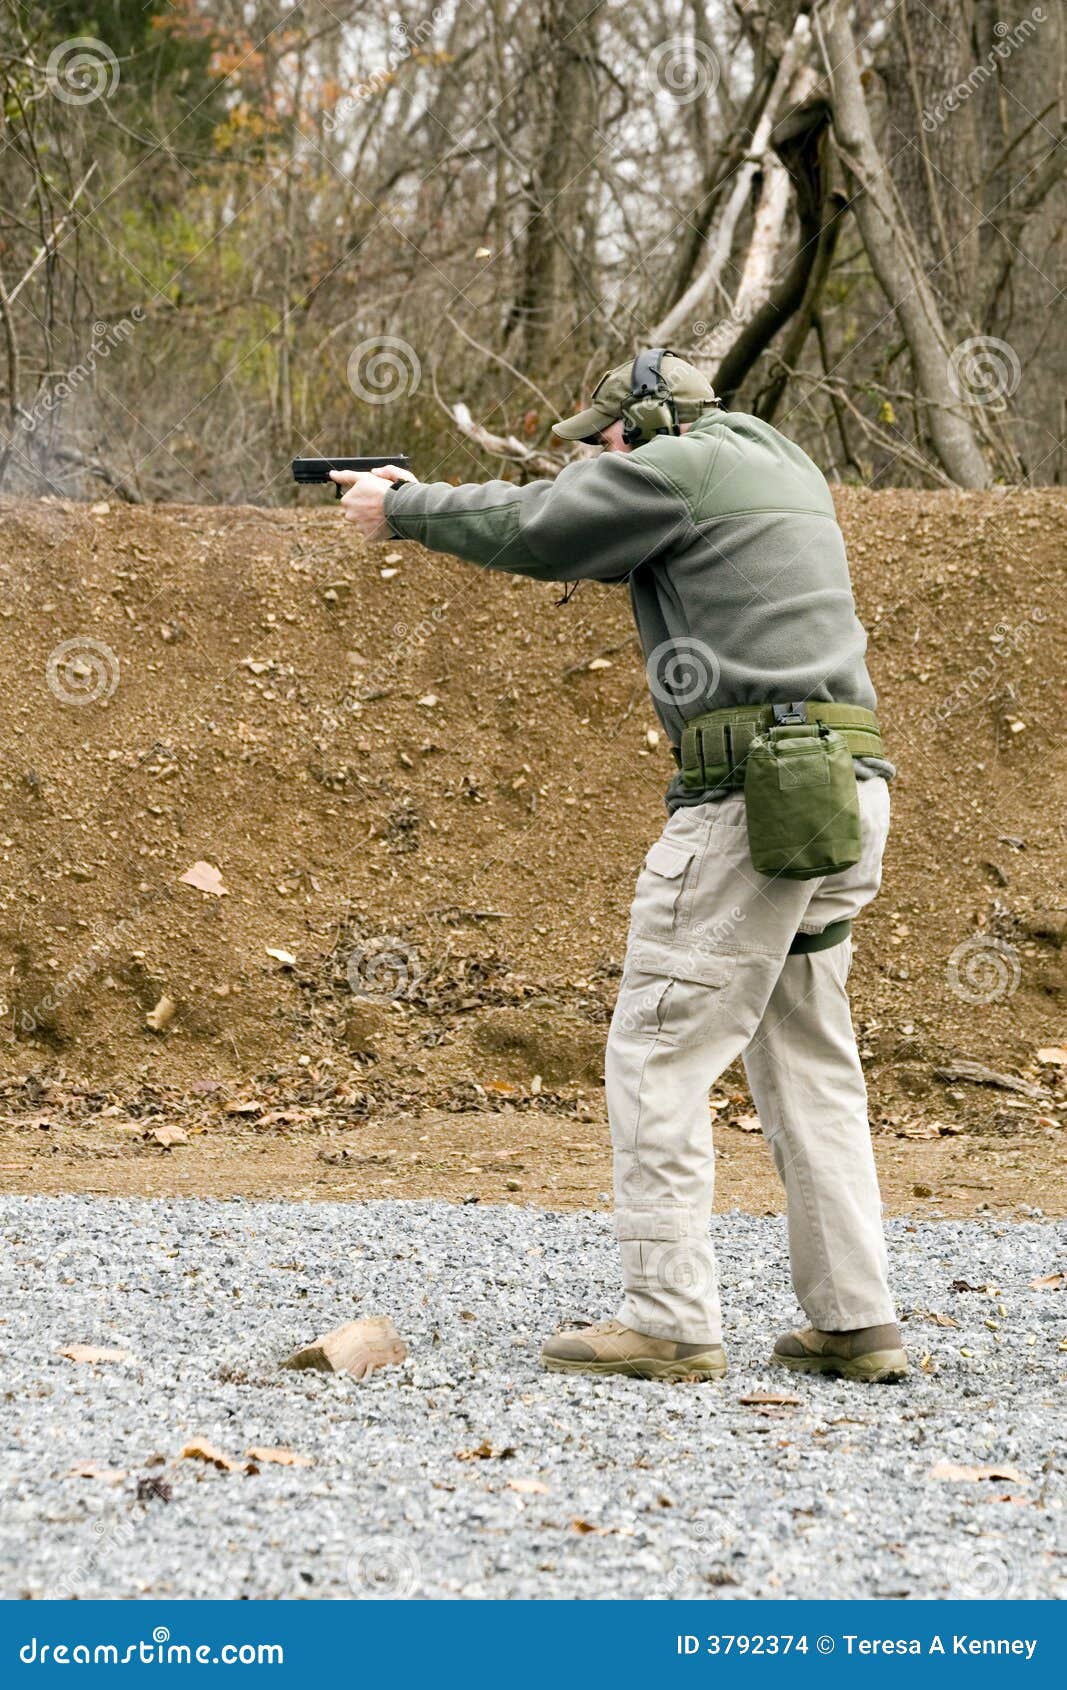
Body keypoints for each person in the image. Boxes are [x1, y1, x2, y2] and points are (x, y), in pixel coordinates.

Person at [331, 349, 907, 1386]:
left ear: (644, 426)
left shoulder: (674, 467)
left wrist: (407, 506)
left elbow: (540, 525)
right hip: (845, 790)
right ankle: (854, 1317)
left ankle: (669, 1319)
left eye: (602, 440)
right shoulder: (775, 461)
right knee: (807, 1057)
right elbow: (618, 542)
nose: (596, 457)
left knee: (656, 1049)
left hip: (752, 796)